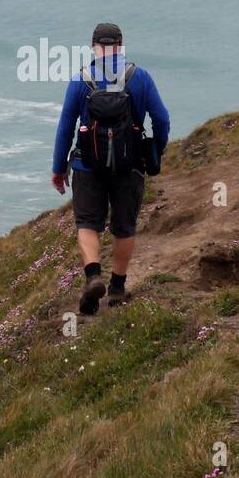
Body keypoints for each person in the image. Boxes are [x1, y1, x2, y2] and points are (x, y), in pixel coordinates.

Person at [51, 22, 170, 314]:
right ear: (121, 45)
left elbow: (65, 128)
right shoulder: (139, 77)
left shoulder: (80, 81)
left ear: (93, 46)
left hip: (87, 166)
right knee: (124, 226)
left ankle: (93, 276)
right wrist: (155, 149)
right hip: (129, 166)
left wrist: (59, 168)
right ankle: (117, 288)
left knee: (88, 224)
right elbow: (162, 119)